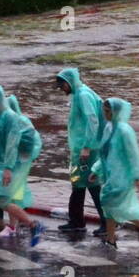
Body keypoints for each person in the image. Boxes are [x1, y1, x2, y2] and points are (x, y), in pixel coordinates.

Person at [0, 86, 45, 249]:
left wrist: (8, 169)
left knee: (3, 202)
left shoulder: (10, 118)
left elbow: (12, 144)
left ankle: (33, 224)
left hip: (2, 166)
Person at [91, 97, 139, 248]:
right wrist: (96, 170)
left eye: (108, 111)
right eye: (104, 111)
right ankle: (111, 239)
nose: (105, 114)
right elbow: (104, 152)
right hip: (111, 174)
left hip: (123, 175)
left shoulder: (125, 131)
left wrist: (138, 176)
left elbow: (133, 154)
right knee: (108, 206)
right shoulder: (109, 128)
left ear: (116, 112)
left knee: (113, 204)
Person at [55, 67, 106, 236]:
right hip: (82, 149)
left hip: (86, 150)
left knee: (90, 185)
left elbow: (92, 121)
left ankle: (102, 222)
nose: (61, 89)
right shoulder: (80, 94)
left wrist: (87, 146)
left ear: (69, 82)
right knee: (82, 184)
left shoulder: (83, 95)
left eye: (62, 85)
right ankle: (77, 220)